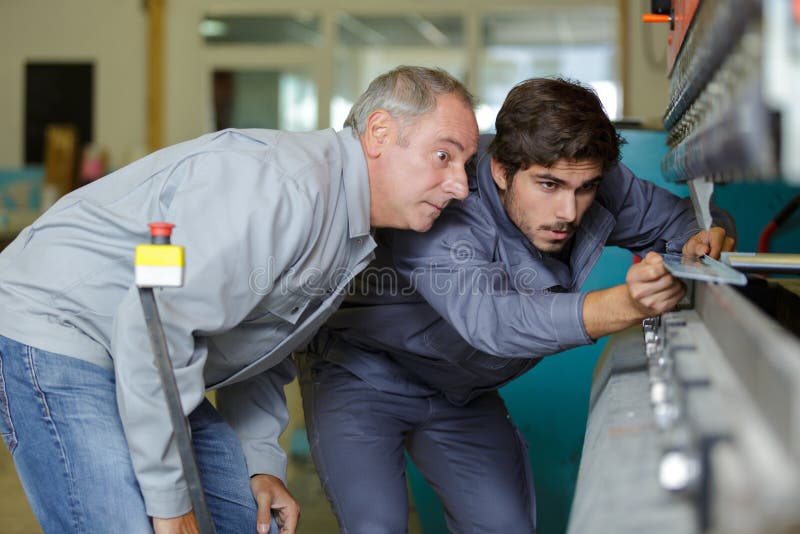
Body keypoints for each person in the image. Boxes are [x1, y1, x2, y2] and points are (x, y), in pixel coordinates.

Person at [0, 66, 478, 534]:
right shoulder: (285, 189)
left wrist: (259, 463)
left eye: (465, 166)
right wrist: (169, 504)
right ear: (379, 132)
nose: (459, 185)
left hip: (142, 356)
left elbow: (260, 346)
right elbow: (154, 331)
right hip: (59, 327)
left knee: (242, 519)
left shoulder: (350, 230)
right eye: (444, 156)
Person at [296, 78, 736, 533]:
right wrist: (624, 304)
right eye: (548, 185)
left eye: (585, 188)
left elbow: (681, 221)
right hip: (363, 377)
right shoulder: (444, 203)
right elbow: (495, 320)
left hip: (461, 391)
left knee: (505, 525)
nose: (569, 210)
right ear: (503, 170)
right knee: (376, 526)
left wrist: (705, 238)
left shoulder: (589, 177)